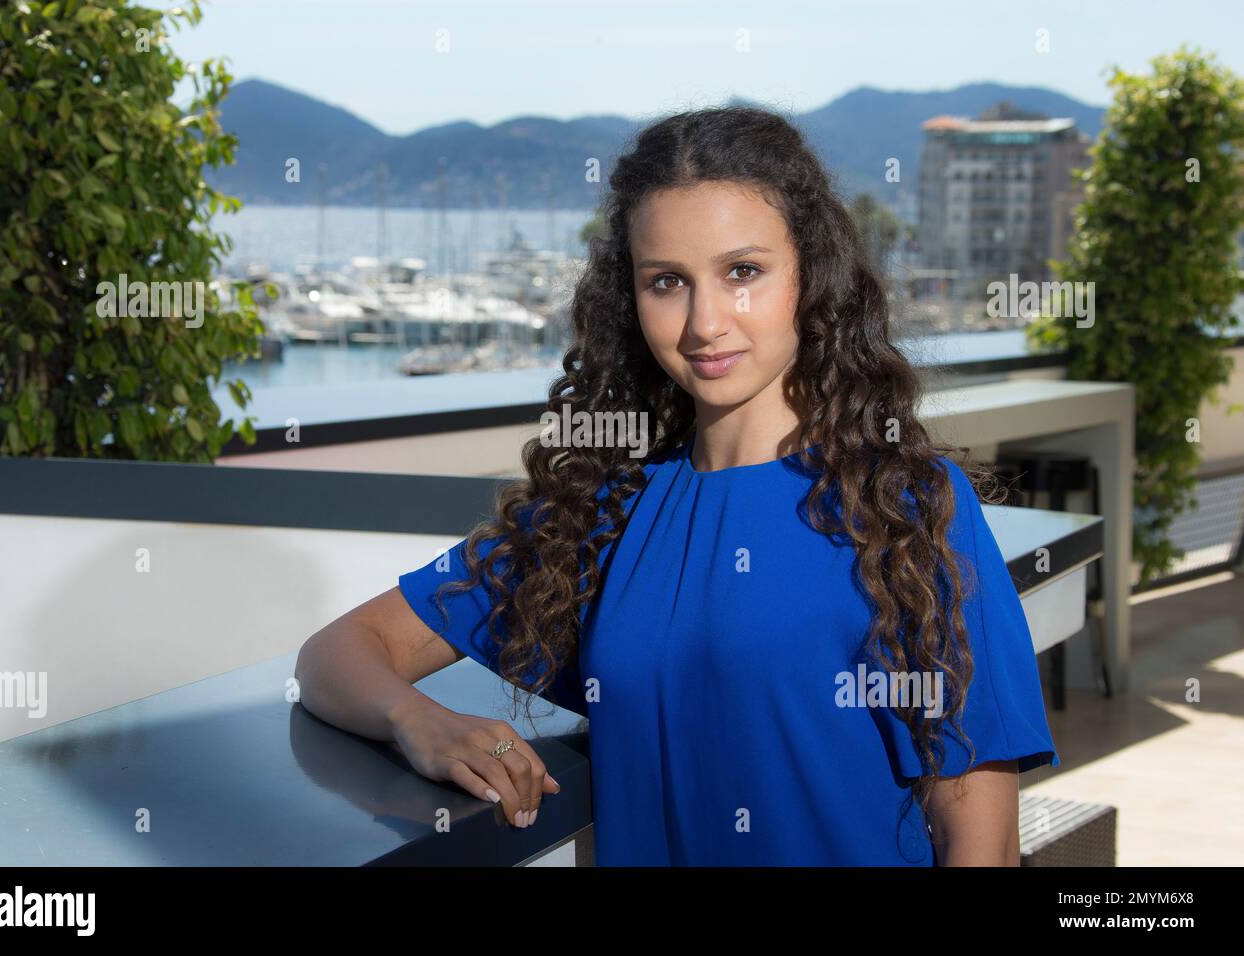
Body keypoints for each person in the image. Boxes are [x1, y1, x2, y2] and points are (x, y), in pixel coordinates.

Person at [294, 106, 1059, 866]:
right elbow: (337, 654)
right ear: (631, 298)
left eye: (743, 273)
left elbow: (980, 843)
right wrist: (417, 719)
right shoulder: (598, 516)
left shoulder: (909, 507)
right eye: (667, 282)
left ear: (811, 276)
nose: (705, 322)